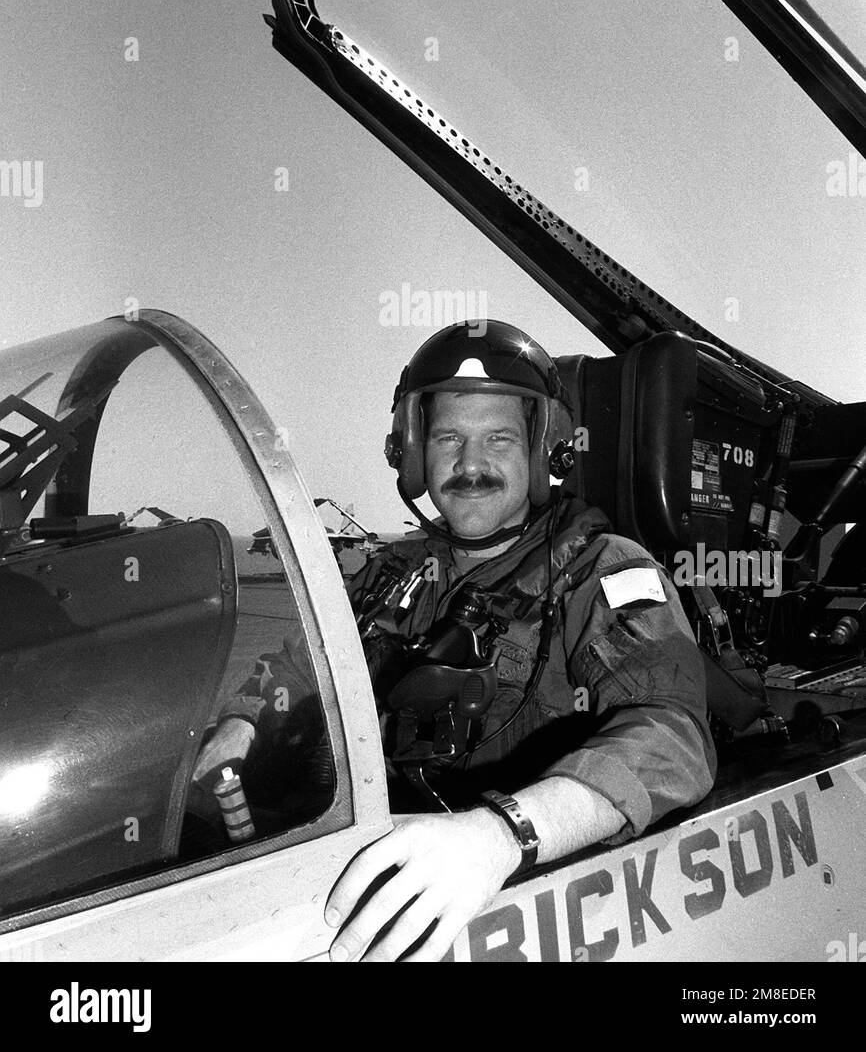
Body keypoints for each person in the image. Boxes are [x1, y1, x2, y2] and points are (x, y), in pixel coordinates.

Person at [193, 320, 716, 962]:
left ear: (543, 452)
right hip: (365, 875)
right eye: (448, 439)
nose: (470, 465)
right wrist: (242, 722)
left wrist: (501, 834)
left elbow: (673, 736)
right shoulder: (392, 572)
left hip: (508, 899)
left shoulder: (603, 570)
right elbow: (306, 666)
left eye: (498, 439)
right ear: (414, 452)